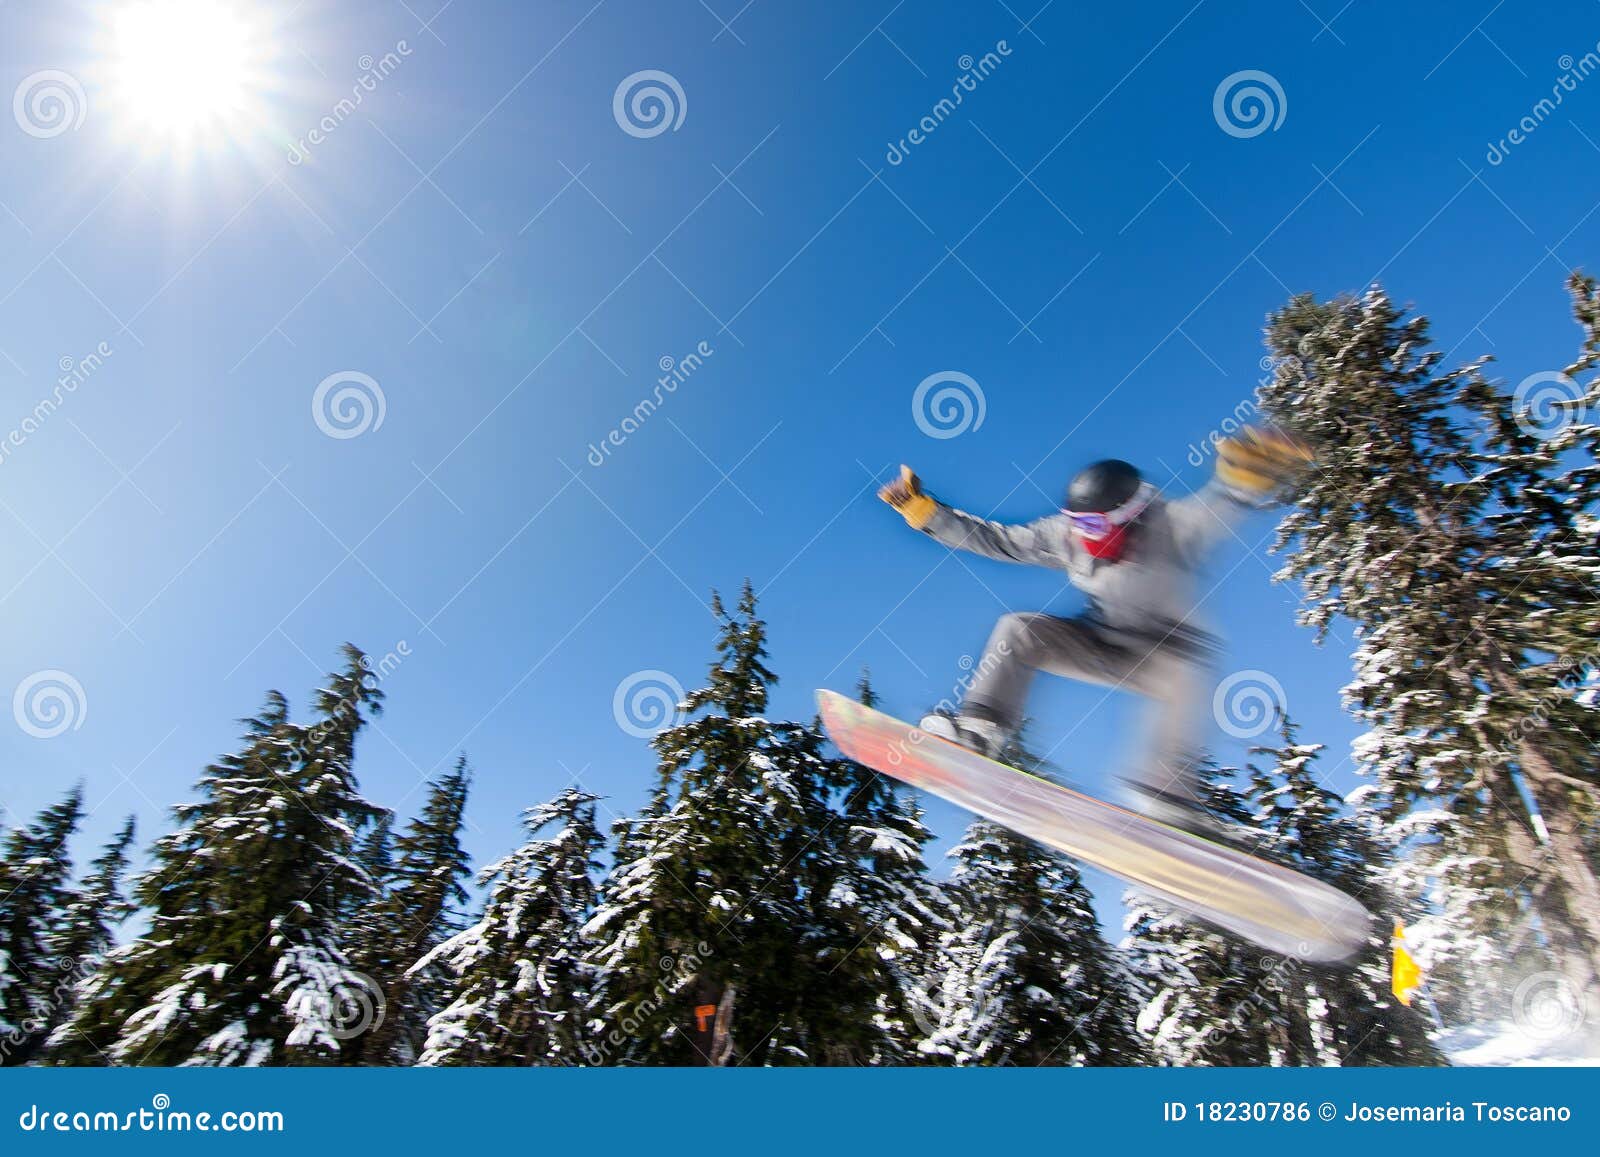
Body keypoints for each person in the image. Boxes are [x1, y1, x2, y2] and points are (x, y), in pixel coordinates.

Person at [876, 426, 1312, 837]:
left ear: (1130, 515)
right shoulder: (1065, 536)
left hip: (1165, 656)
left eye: (1094, 527)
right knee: (1018, 629)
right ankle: (976, 735)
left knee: (1190, 671)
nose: (1083, 537)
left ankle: (1166, 794)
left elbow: (1221, 505)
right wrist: (927, 513)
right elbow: (1001, 540)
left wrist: (1244, 474)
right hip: (1101, 643)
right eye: (1077, 525)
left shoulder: (1175, 527)